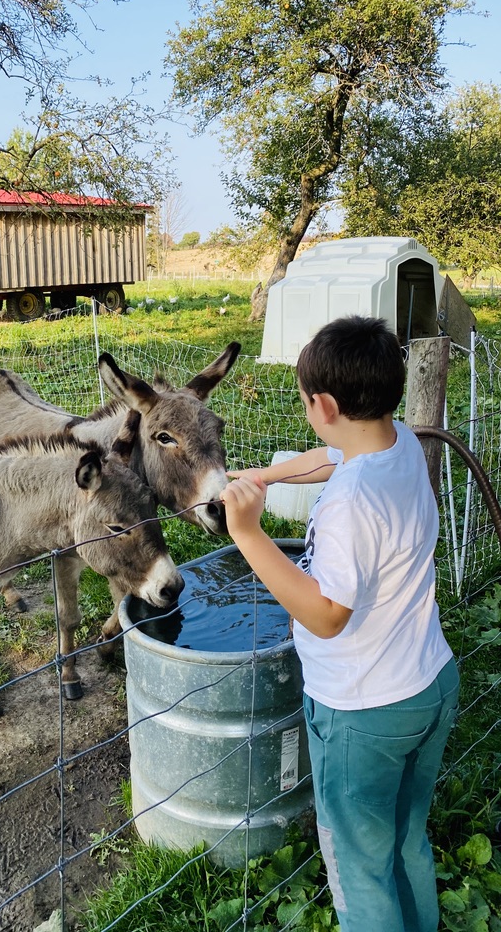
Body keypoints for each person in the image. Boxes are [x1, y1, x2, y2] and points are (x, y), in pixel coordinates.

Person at [220, 315, 458, 932]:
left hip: (365, 712)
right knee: (405, 837)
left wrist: (248, 535)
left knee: (359, 864)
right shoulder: (398, 442)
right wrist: (268, 475)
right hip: (428, 685)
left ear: (322, 403)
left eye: (304, 402)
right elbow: (333, 455)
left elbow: (326, 615)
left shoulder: (354, 502)